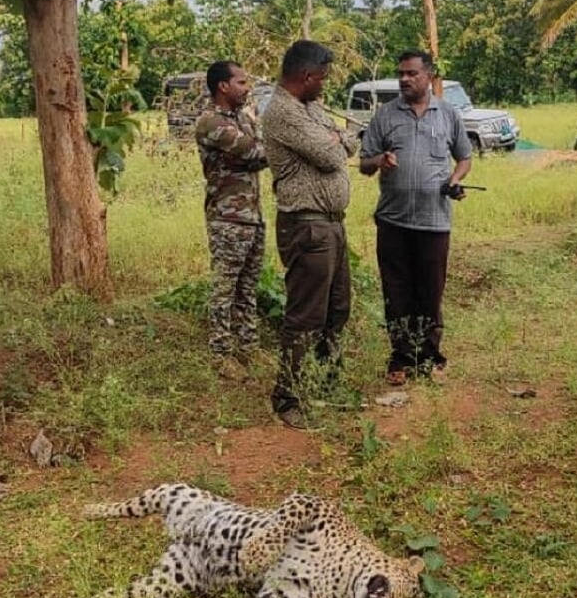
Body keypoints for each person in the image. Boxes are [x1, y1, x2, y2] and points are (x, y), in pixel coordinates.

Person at [260, 40, 358, 430]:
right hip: (306, 225)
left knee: (337, 308)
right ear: (305, 76)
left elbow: (342, 140)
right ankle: (288, 398)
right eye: (322, 78)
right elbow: (332, 155)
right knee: (306, 316)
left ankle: (326, 383)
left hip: (331, 222)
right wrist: (337, 140)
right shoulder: (283, 112)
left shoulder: (310, 107)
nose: (324, 84)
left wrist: (336, 138)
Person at [359, 50, 472, 386]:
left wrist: (455, 180)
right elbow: (364, 163)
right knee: (396, 292)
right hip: (393, 221)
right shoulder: (385, 116)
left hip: (434, 222)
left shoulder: (448, 114)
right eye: (401, 74)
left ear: (429, 76)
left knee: (430, 291)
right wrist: (380, 160)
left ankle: (430, 356)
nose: (405, 79)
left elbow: (464, 158)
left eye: (412, 73)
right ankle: (401, 357)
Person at [194, 61, 268, 380]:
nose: (246, 88)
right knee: (225, 287)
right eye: (241, 82)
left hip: (252, 215)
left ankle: (248, 346)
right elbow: (255, 152)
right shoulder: (211, 122)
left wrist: (260, 151)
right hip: (227, 218)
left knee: (247, 286)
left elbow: (261, 152)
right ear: (223, 86)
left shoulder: (244, 118)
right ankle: (221, 353)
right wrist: (261, 151)